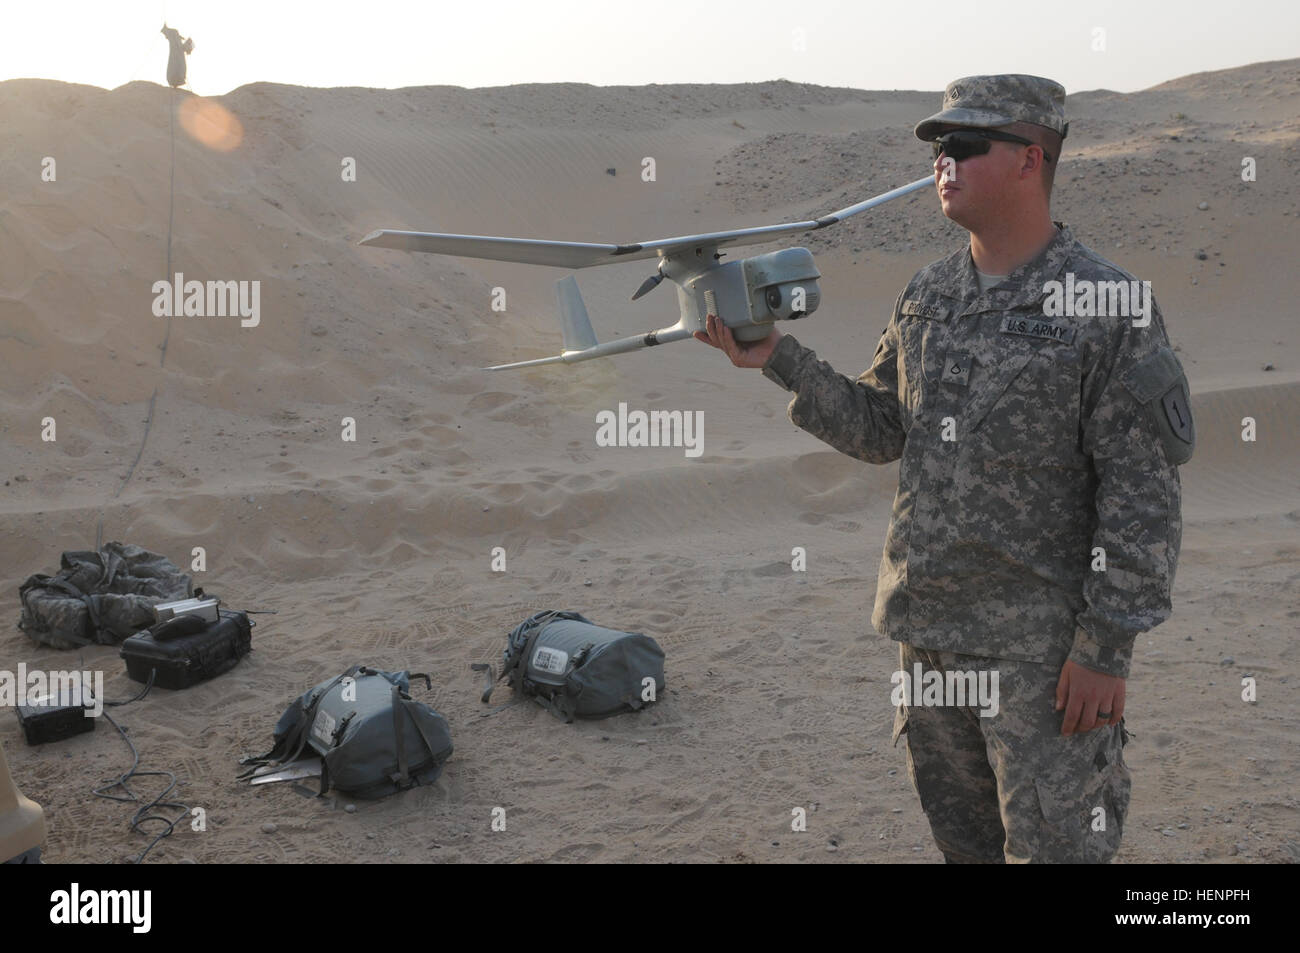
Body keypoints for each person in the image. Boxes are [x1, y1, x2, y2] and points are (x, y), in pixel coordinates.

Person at [694, 74, 1194, 863]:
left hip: (1040, 659)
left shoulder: (1109, 306)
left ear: (1031, 160)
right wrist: (779, 360)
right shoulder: (929, 294)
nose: (942, 161)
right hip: (927, 642)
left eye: (964, 145)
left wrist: (1106, 648)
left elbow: (1142, 494)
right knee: (966, 847)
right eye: (935, 147)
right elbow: (880, 427)